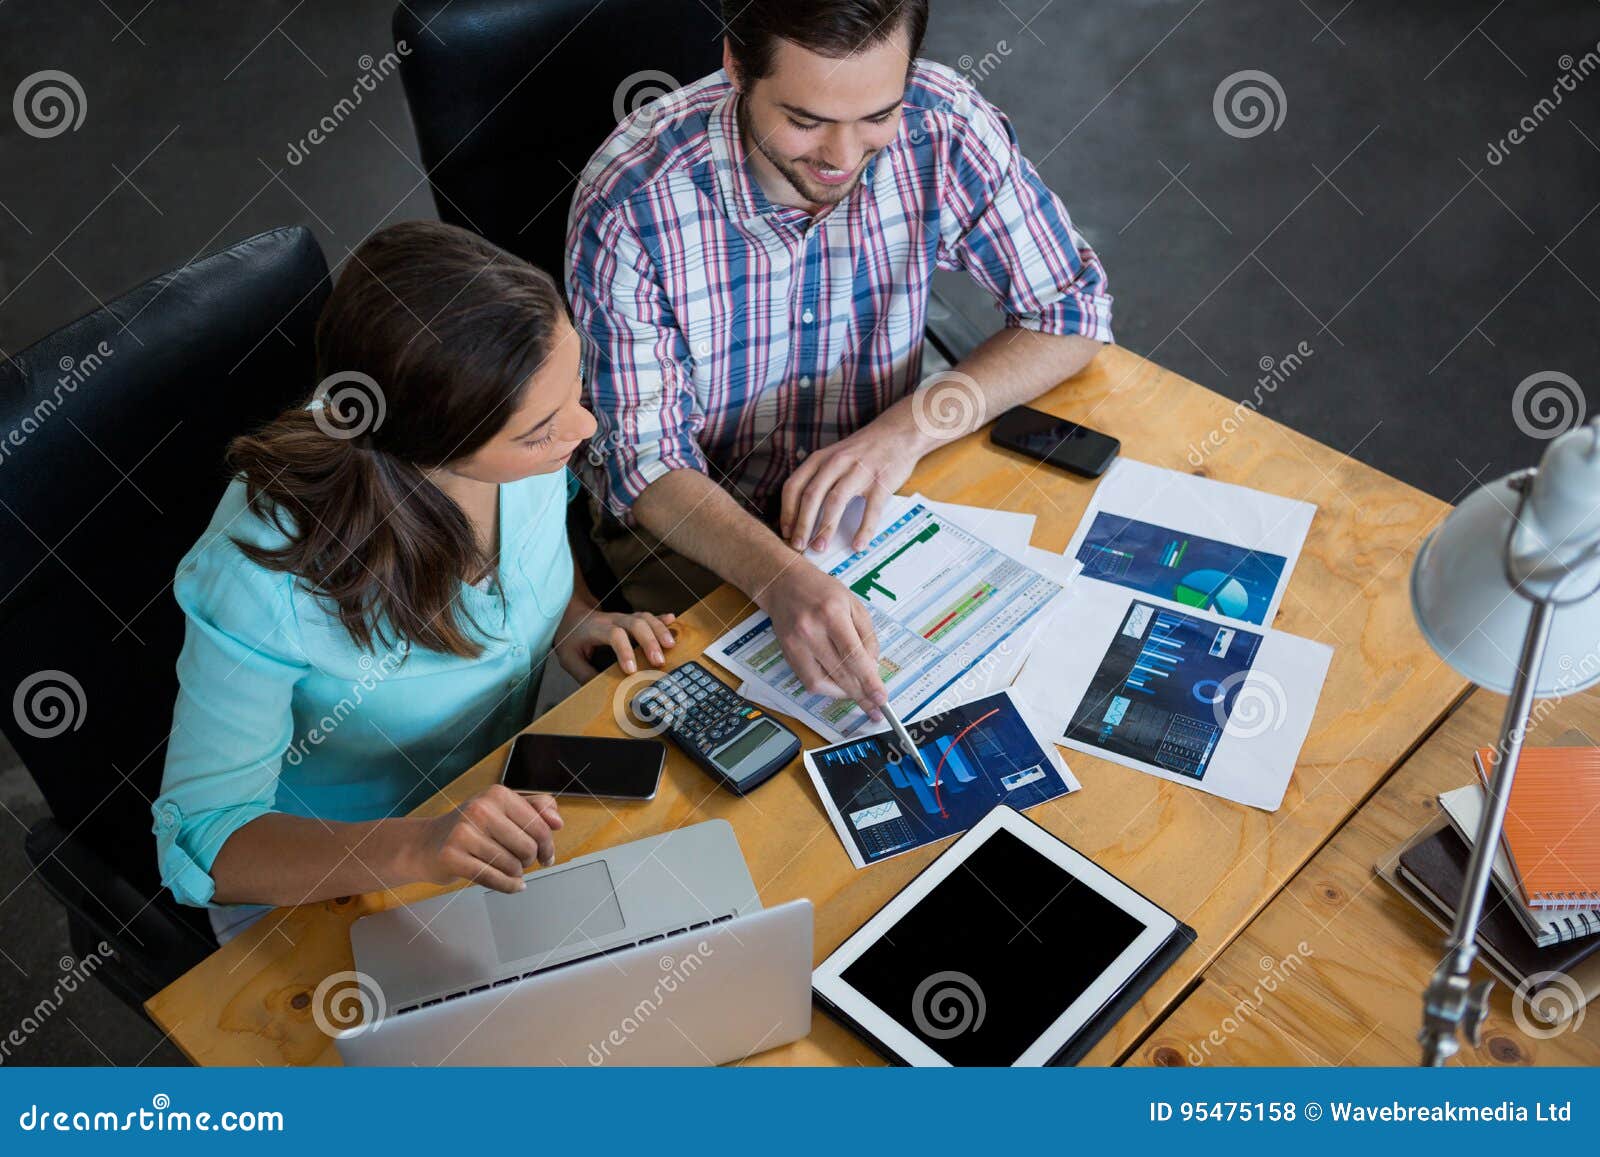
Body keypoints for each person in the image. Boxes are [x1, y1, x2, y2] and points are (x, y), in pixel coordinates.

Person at [567, 0, 1111, 718]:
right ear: (734, 65)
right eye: (805, 121)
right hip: (693, 533)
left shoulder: (941, 120)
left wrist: (907, 429)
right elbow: (644, 457)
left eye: (876, 118)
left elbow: (1071, 312)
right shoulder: (632, 200)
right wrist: (778, 576)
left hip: (874, 491)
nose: (844, 159)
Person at [153, 221, 677, 943]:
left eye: (576, 389)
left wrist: (574, 615)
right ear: (436, 447)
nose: (583, 428)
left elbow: (538, 552)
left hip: (497, 800)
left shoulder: (522, 439)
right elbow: (207, 840)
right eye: (541, 430)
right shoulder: (259, 579)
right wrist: (420, 846)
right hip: (332, 880)